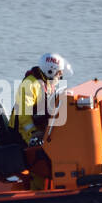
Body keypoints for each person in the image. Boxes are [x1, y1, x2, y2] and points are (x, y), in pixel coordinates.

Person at [11, 53, 71, 188]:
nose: (60, 76)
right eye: (59, 73)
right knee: (40, 158)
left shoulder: (46, 83)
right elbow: (23, 116)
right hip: (22, 131)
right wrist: (33, 135)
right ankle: (37, 192)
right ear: (50, 70)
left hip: (37, 128)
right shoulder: (30, 84)